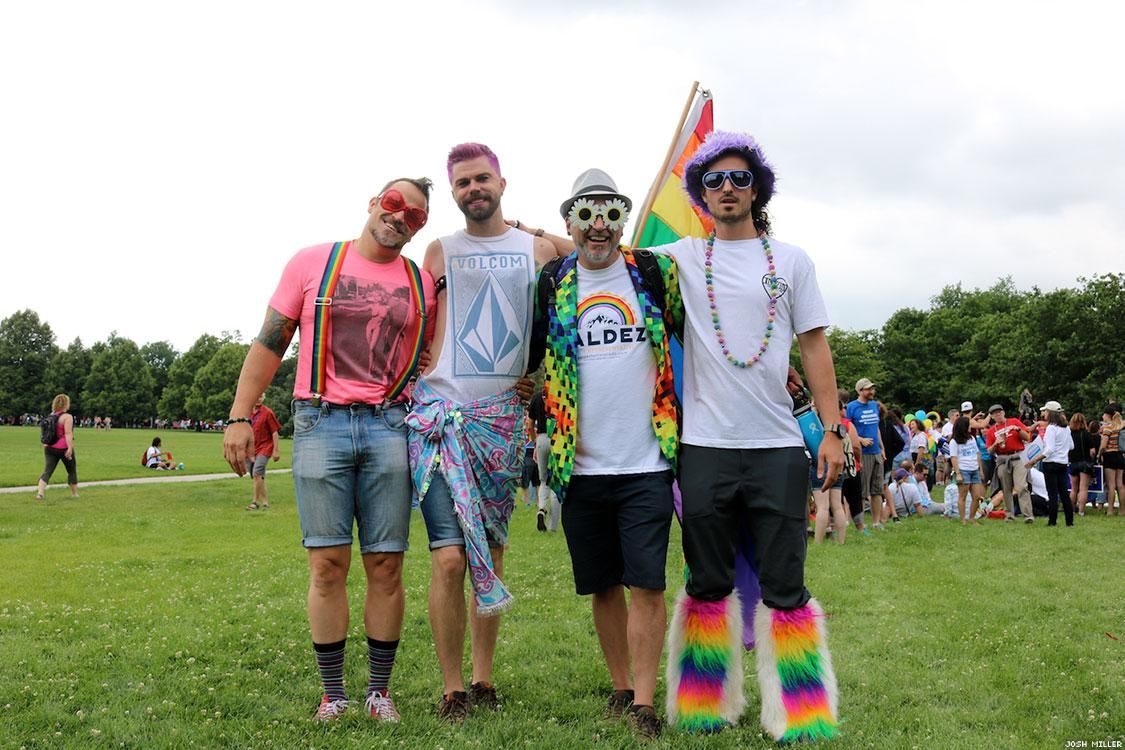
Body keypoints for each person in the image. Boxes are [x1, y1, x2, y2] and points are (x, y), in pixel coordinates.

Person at [222, 176, 436, 722]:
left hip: (390, 423)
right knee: (328, 563)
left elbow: (427, 362)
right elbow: (270, 342)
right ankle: (333, 692)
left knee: (386, 564)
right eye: (394, 205)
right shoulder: (313, 262)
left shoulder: (420, 284)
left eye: (415, 216)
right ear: (372, 204)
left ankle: (379, 692)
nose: (400, 218)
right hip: (320, 423)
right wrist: (241, 415)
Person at [654, 132, 842, 740]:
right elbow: (593, 253)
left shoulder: (791, 261)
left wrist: (832, 431)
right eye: (714, 180)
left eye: (738, 178)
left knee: (786, 583)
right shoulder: (680, 257)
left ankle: (802, 715)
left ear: (757, 187)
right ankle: (706, 705)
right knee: (707, 582)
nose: (727, 188)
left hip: (778, 448)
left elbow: (814, 346)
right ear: (700, 195)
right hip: (704, 448)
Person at [406, 143, 558, 724]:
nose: (474, 188)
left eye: (482, 178)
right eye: (463, 182)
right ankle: (451, 689)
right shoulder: (440, 250)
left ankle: (483, 677)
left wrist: (537, 379)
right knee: (449, 560)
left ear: (502, 182)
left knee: (490, 554)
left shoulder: (537, 248)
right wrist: (415, 366)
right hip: (441, 419)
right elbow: (417, 314)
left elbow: (595, 253)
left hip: (502, 422)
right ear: (453, 193)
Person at [533, 168, 681, 739]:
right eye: (587, 215)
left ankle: (645, 700)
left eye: (611, 214)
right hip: (580, 464)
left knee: (647, 583)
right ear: (569, 221)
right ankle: (621, 685)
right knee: (602, 584)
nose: (599, 227)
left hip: (647, 459)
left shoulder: (652, 272)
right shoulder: (554, 281)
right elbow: (533, 351)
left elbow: (693, 335)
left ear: (623, 219)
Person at [1026, 401, 1074, 526]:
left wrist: (1035, 459)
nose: (1044, 413)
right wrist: (1062, 451)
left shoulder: (1051, 428)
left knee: (1052, 493)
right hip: (1063, 463)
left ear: (1050, 413)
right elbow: (1071, 446)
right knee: (1064, 493)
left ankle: (1052, 521)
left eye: (1045, 411)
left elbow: (1050, 449)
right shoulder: (1066, 428)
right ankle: (1069, 521)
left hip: (1051, 463)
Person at [847, 378, 886, 529]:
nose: (872, 392)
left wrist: (882, 448)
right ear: (860, 391)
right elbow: (847, 428)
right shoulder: (852, 407)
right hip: (862, 454)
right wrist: (860, 439)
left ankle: (876, 523)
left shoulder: (874, 406)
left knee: (877, 490)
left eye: (872, 389)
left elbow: (876, 428)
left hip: (876, 452)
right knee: (862, 490)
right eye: (868, 389)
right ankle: (860, 524)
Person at [985, 403, 1033, 522]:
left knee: (1022, 486)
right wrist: (996, 443)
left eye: (1000, 412)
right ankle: (1009, 515)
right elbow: (989, 451)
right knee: (1006, 488)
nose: (998, 414)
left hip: (1017, 457)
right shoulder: (991, 431)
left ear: (1004, 412)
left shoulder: (1014, 422)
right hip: (1002, 459)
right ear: (992, 416)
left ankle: (1028, 515)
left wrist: (1018, 429)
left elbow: (1027, 437)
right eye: (995, 413)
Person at [36, 394, 78, 499]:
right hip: (63, 448)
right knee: (71, 470)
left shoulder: (50, 416)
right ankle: (74, 493)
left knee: (47, 471)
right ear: (66, 404)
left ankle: (40, 493)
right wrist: (69, 448)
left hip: (49, 447)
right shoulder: (67, 417)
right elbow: (68, 433)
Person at [245, 393, 282, 510]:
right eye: (256, 395)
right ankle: (265, 502)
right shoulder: (247, 413)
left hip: (265, 447)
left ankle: (254, 503)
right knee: (258, 477)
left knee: (257, 473)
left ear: (263, 398)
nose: (258, 398)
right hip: (250, 449)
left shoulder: (267, 413)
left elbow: (274, 432)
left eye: (260, 396)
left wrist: (276, 450)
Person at [949, 416, 985, 526]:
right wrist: (958, 473)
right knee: (962, 496)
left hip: (974, 469)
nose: (971, 427)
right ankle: (963, 520)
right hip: (963, 470)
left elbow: (977, 453)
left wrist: (980, 469)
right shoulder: (954, 442)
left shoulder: (972, 438)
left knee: (977, 496)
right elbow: (953, 458)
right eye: (968, 425)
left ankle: (972, 518)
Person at [1068, 413, 1098, 516]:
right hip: (1085, 463)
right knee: (1083, 488)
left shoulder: (1069, 434)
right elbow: (1093, 451)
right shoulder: (1086, 434)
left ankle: (1071, 510)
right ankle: (1081, 511)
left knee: (1073, 489)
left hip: (1073, 463)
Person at [1096, 406, 1124, 515]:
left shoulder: (1108, 428)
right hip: (1119, 456)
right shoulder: (1119, 427)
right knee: (1120, 485)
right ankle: (1122, 510)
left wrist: (1099, 454)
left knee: (1111, 485)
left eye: (1103, 414)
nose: (1102, 416)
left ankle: (1110, 510)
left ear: (1107, 415)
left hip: (1110, 456)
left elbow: (1103, 445)